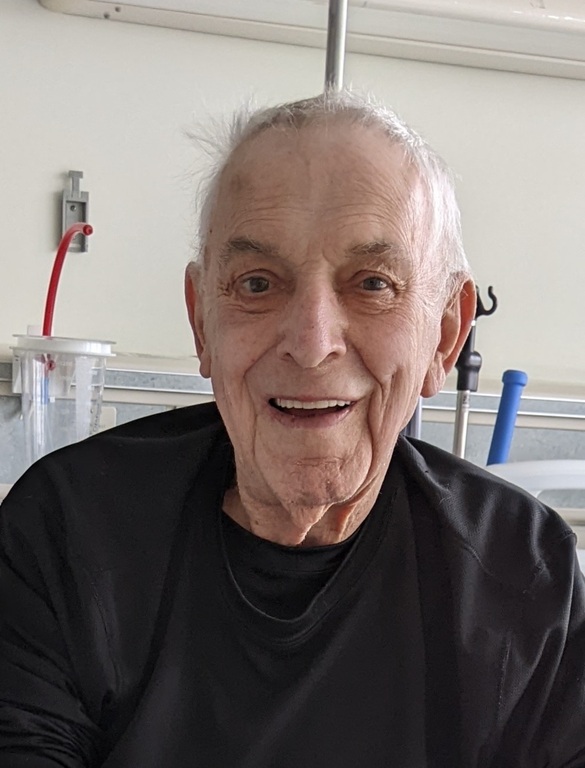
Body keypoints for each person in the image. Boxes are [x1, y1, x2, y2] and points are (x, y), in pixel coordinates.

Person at [1, 91, 584, 768]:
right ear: (201, 323)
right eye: (257, 283)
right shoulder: (68, 535)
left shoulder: (520, 575)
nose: (311, 344)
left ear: (445, 334)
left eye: (372, 284)